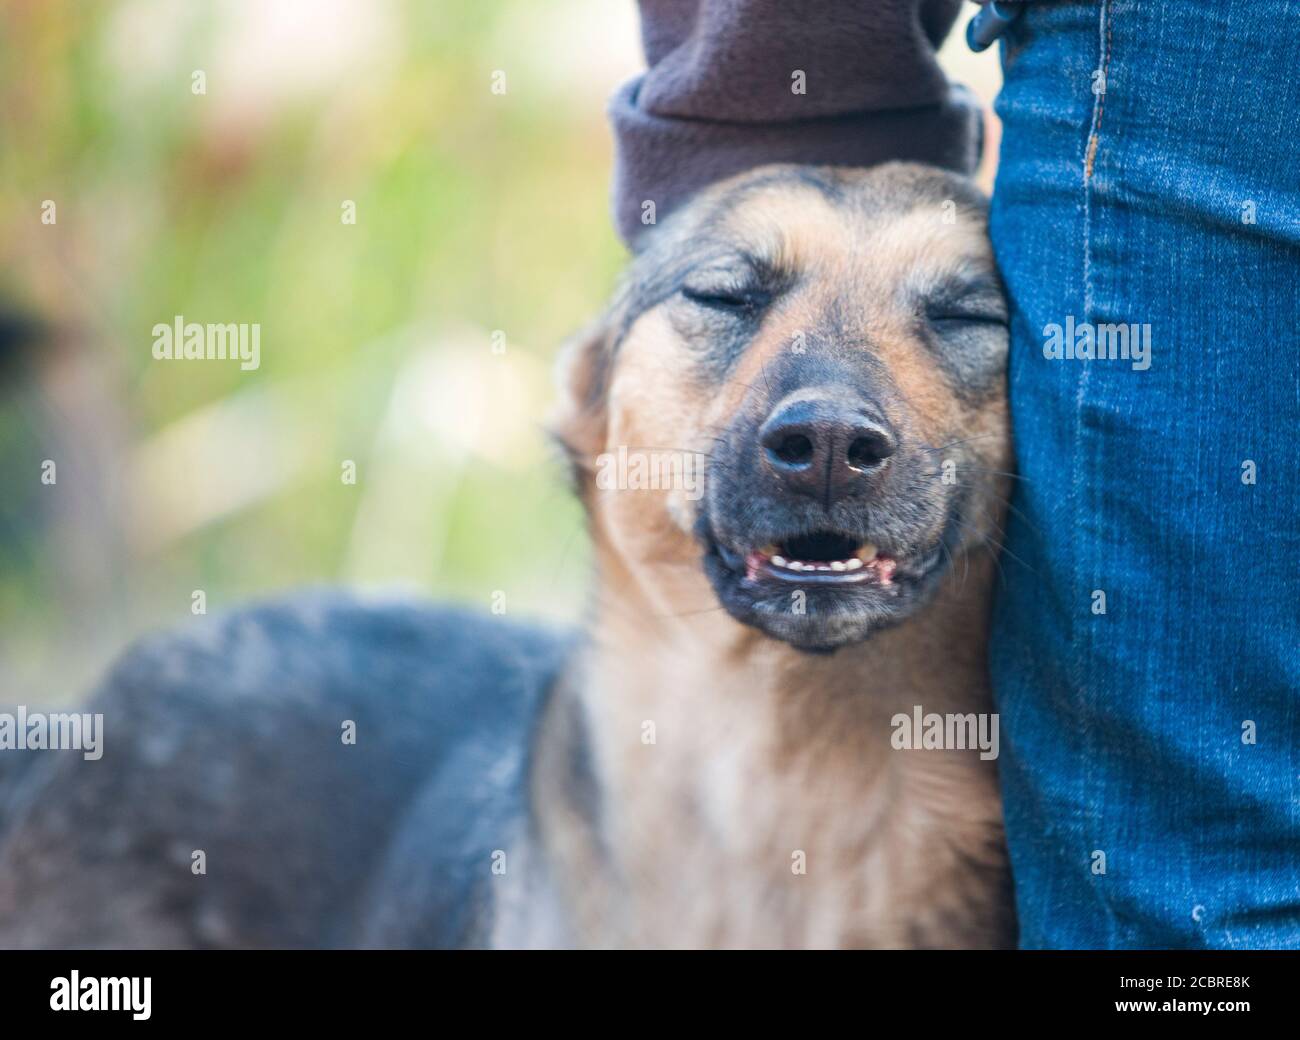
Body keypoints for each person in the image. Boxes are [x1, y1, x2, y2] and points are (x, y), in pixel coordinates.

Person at [610, 0, 1300, 948]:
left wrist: (764, 107)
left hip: (1177, 58)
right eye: (729, 296)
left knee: (1193, 881)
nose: (830, 420)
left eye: (962, 321)